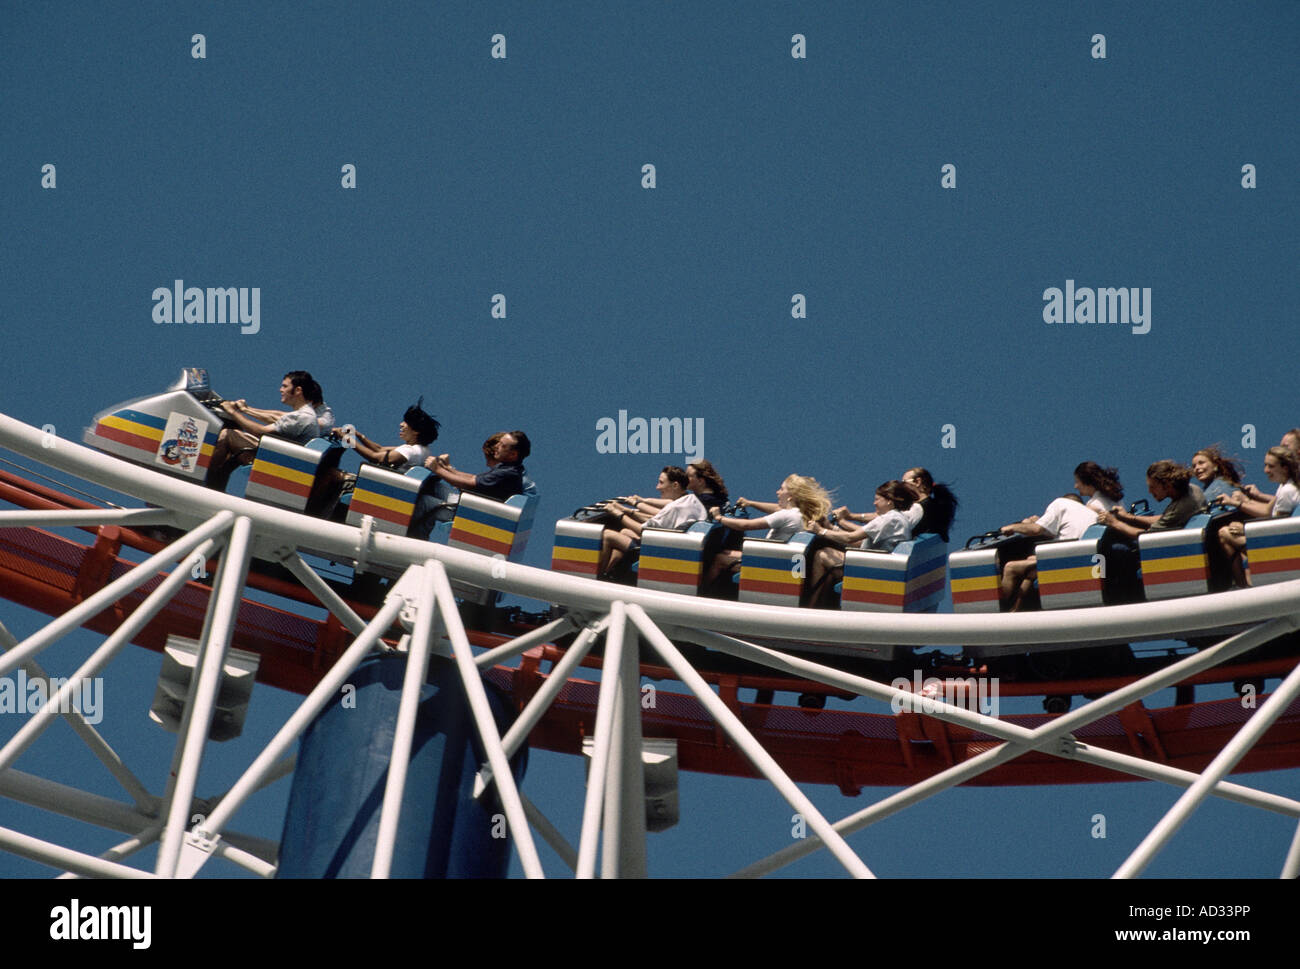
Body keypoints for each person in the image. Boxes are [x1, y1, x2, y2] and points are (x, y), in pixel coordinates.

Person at [703, 474, 831, 588]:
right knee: (726, 552)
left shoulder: (785, 516)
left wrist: (719, 518)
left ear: (790, 496)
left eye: (782, 489)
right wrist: (750, 503)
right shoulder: (800, 514)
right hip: (781, 563)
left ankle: (704, 592)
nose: (777, 492)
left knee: (719, 558)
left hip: (769, 564)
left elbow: (745, 525)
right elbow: (776, 509)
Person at [206, 371, 325, 491]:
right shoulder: (306, 414)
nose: (280, 389)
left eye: (285, 386)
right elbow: (275, 416)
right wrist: (245, 410)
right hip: (285, 460)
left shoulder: (301, 417)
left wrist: (232, 412)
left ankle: (208, 484)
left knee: (228, 435)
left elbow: (260, 431)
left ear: (298, 390)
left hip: (279, 465)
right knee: (237, 433)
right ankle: (216, 483)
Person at [807, 480, 915, 607]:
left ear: (889, 501)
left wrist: (820, 531)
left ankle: (811, 604)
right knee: (830, 559)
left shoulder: (889, 519)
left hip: (870, 570)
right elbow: (861, 541)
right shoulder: (898, 518)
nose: (874, 503)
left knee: (821, 555)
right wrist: (831, 527)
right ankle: (828, 605)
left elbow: (850, 538)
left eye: (877, 499)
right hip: (880, 566)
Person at [597, 466, 707, 577]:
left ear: (675, 485)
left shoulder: (674, 508)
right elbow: (656, 519)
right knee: (625, 532)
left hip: (660, 554)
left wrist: (618, 514)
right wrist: (628, 511)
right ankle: (610, 571)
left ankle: (598, 577)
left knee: (607, 535)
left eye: (661, 483)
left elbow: (643, 530)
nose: (657, 487)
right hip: (676, 549)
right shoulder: (691, 501)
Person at [997, 493, 1098, 611]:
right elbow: (1055, 531)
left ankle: (999, 610)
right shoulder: (1090, 514)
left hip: (1067, 560)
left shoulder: (1060, 503)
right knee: (1031, 563)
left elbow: (1036, 530)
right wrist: (1035, 522)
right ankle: (1015, 610)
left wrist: (1012, 527)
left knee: (1010, 567)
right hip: (1086, 560)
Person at [1217, 447, 1300, 586]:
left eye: (1271, 466)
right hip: (1278, 541)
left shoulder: (1287, 491)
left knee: (1224, 533)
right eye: (1265, 465)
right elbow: (1268, 511)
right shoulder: (1285, 486)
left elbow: (1276, 528)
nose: (1266, 470)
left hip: (1279, 548)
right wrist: (1239, 502)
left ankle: (1243, 586)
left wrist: (1245, 531)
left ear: (1285, 468)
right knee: (1231, 528)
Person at [1098, 460, 1208, 539]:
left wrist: (1114, 523)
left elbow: (1145, 536)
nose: (1150, 491)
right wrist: (1128, 517)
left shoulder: (1181, 507)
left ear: (1167, 485)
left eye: (1153, 487)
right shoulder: (1192, 489)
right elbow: (1163, 520)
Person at [344, 398, 440, 470]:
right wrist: (359, 435)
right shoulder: (422, 450)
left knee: (333, 474)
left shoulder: (410, 451)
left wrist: (347, 440)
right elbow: (379, 449)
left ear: (416, 431)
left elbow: (375, 457)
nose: (401, 425)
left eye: (406, 423)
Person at [628, 460, 729, 514]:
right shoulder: (705, 497)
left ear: (700, 481)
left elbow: (672, 505)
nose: (685, 477)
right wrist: (644, 501)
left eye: (689, 475)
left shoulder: (707, 500)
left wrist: (640, 502)